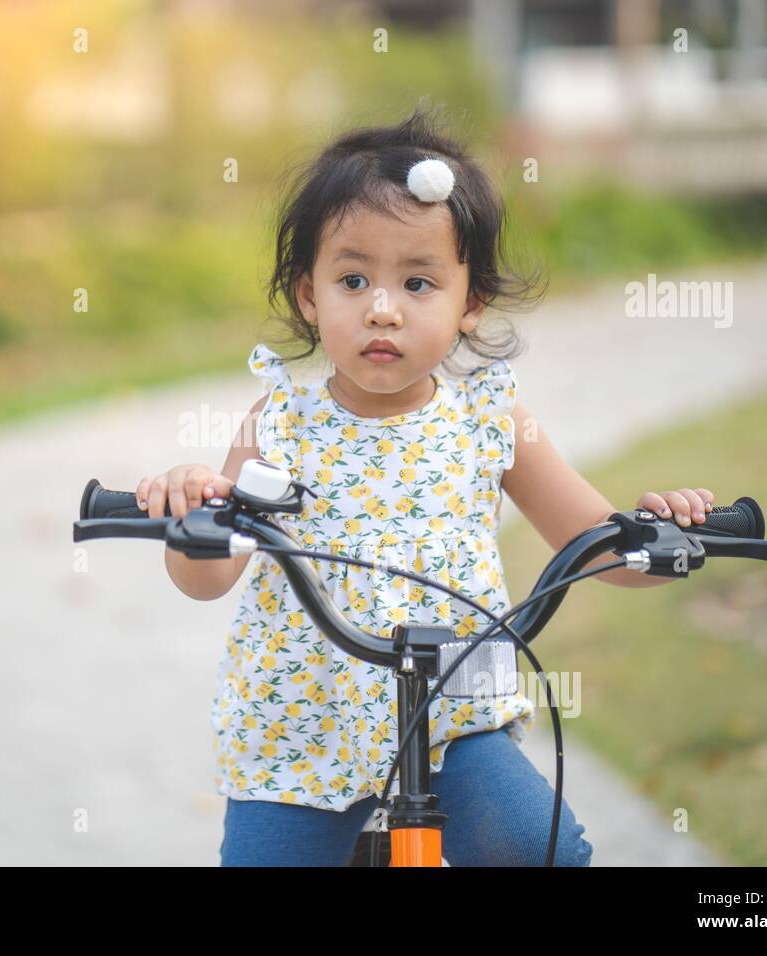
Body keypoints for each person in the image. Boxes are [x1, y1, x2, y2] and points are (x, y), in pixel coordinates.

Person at [134, 105, 716, 866]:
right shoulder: (282, 422)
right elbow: (208, 577)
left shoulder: (490, 418)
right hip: (304, 729)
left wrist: (658, 532)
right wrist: (195, 510)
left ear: (469, 304)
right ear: (310, 296)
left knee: (532, 848)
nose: (381, 307)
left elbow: (593, 539)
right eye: (352, 279)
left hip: (455, 717)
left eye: (417, 281)